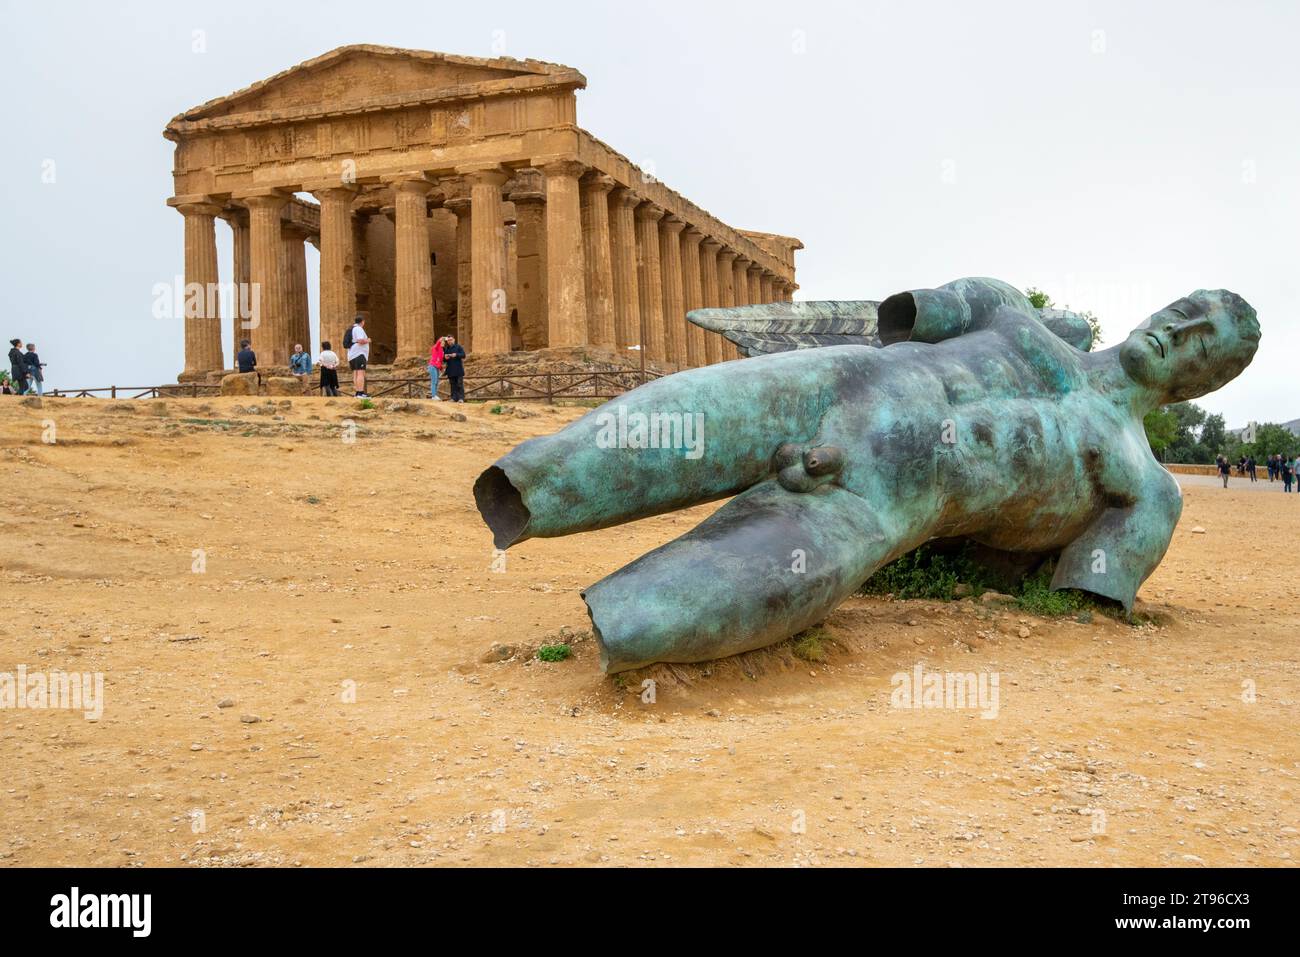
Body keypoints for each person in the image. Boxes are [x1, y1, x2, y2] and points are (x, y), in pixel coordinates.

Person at [346, 315, 370, 398]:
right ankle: (360, 392)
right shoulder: (359, 329)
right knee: (361, 373)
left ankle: (357, 392)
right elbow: (360, 340)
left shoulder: (352, 329)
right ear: (362, 321)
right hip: (359, 353)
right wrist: (368, 340)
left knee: (355, 373)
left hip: (352, 354)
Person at [443, 335, 466, 402]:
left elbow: (463, 355)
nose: (450, 341)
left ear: (454, 340)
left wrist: (456, 355)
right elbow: (444, 360)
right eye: (448, 340)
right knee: (452, 385)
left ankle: (461, 398)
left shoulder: (458, 347)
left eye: (451, 340)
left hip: (458, 370)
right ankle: (453, 398)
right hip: (450, 370)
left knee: (459, 384)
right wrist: (445, 358)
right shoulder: (447, 349)